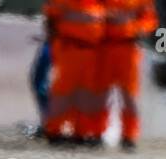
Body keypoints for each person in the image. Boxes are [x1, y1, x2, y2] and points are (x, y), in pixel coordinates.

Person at [43, 0, 107, 144]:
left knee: (85, 93)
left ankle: (81, 132)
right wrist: (55, 43)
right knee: (63, 92)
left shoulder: (98, 4)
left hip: (91, 51)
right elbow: (51, 19)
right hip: (70, 48)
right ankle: (54, 131)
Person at [99, 0, 159, 150]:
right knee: (99, 93)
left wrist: (135, 28)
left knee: (129, 95)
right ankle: (96, 132)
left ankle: (129, 135)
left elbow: (150, 20)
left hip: (128, 48)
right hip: (103, 47)